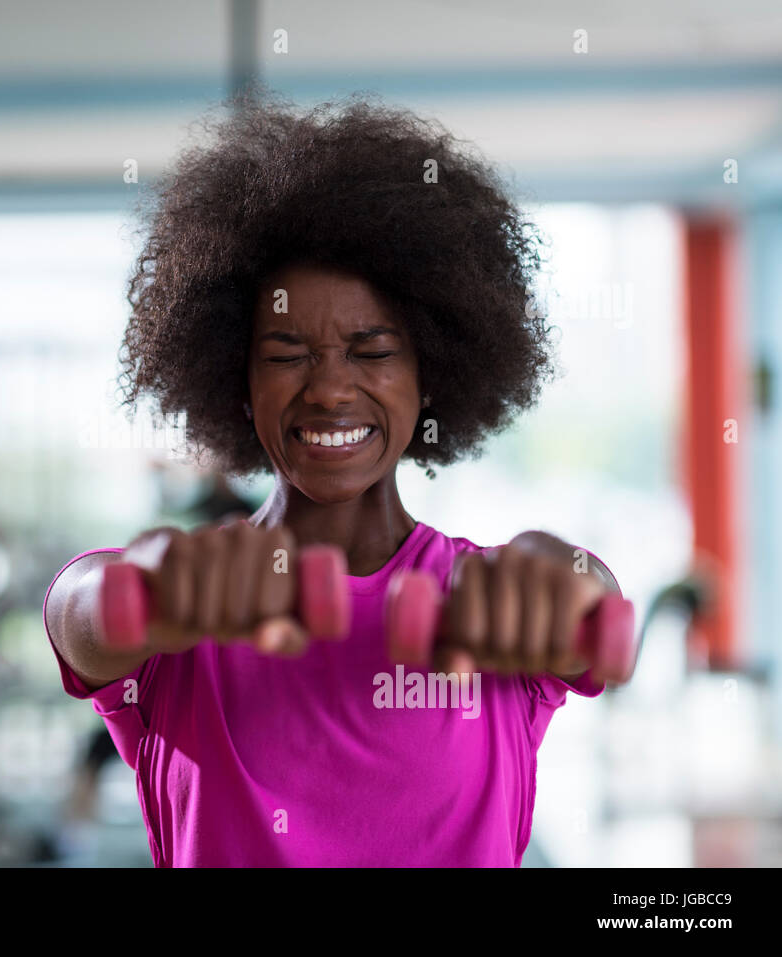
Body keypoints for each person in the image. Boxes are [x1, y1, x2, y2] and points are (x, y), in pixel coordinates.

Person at [43, 87, 623, 867]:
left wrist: (569, 579)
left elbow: (593, 613)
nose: (329, 389)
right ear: (237, 383)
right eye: (286, 354)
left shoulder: (489, 604)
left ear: (431, 375)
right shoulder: (182, 613)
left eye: (373, 351)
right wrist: (141, 590)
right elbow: (79, 613)